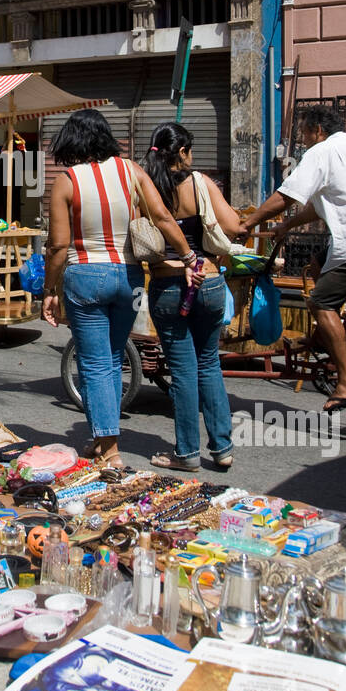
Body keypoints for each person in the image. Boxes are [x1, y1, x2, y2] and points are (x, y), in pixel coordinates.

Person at [41, 110, 200, 470]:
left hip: (85, 277)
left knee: (96, 364)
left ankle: (110, 450)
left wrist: (49, 290)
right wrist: (189, 257)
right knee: (112, 359)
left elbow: (58, 246)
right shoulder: (132, 171)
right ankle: (102, 441)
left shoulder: (67, 181)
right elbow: (162, 218)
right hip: (131, 279)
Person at [238, 106, 346, 412]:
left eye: (304, 132)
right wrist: (286, 226)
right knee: (317, 264)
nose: (303, 139)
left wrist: (248, 223)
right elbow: (317, 205)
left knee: (319, 302)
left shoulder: (322, 152)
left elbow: (286, 195)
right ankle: (322, 334)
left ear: (317, 130)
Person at [140, 123, 244, 471]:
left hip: (168, 284)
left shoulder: (145, 186)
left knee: (184, 372)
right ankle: (223, 448)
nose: (193, 156)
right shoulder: (200, 183)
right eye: (190, 150)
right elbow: (232, 226)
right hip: (210, 281)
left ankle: (187, 454)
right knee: (209, 364)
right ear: (181, 151)